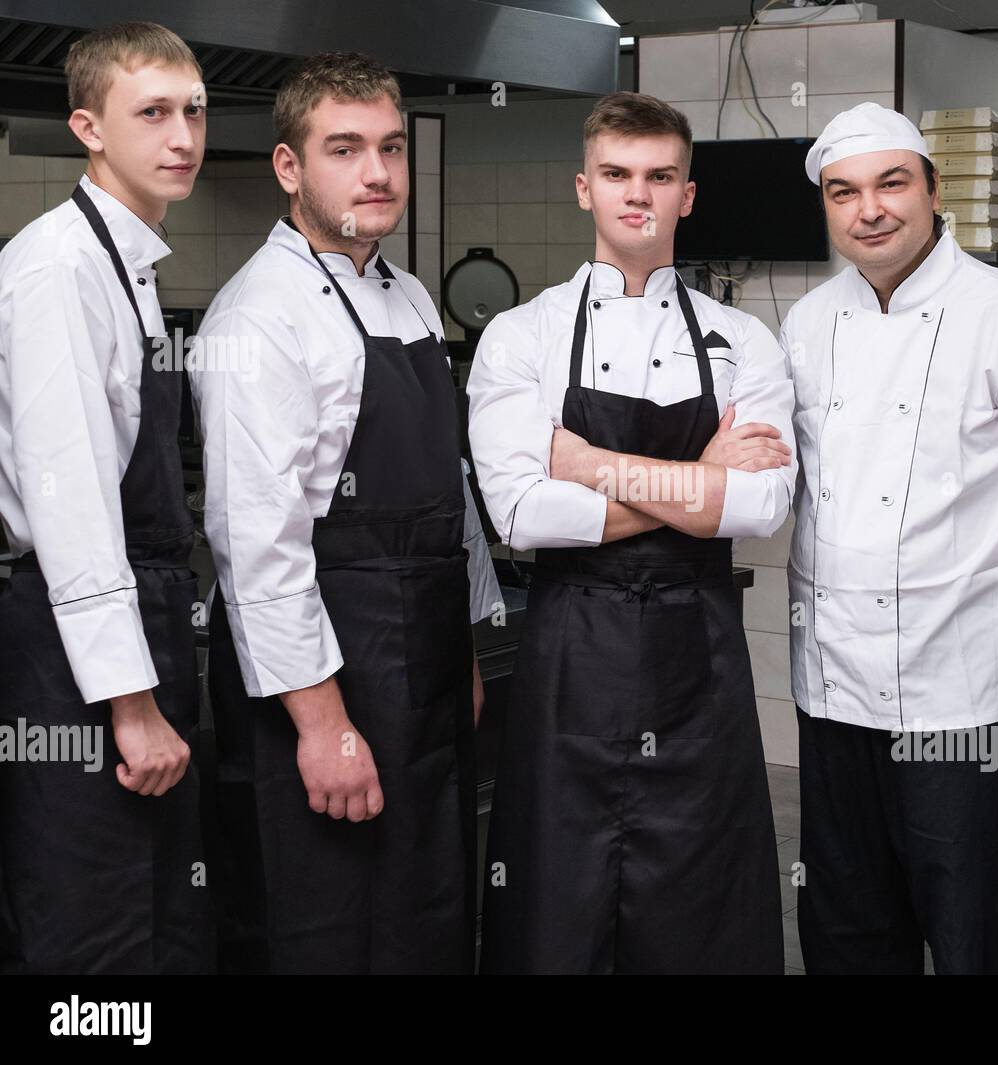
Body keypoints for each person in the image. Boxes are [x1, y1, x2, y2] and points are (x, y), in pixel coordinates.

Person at [468, 91, 796, 974]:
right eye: (617, 175)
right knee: (554, 898)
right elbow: (522, 515)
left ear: (689, 195)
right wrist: (702, 479)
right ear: (585, 188)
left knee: (702, 904)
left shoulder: (743, 339)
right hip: (572, 650)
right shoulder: (522, 334)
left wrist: (586, 463)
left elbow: (761, 508)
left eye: (660, 177)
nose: (637, 196)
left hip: (700, 654)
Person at [191, 52, 499, 974]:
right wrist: (322, 725)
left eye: (391, 148)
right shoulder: (257, 317)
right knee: (333, 921)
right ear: (290, 168)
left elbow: (450, 486)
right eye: (345, 149)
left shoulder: (403, 292)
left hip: (428, 657)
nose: (377, 173)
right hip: (332, 661)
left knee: (429, 909)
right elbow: (257, 546)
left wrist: (470, 642)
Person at [784, 102, 998, 974]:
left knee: (973, 918)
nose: (869, 209)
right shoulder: (807, 324)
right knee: (848, 920)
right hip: (832, 683)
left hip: (955, 684)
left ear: (932, 189)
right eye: (843, 192)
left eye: (891, 184)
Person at [0, 21, 212, 973]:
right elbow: (73, 501)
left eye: (196, 111)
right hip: (67, 652)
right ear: (88, 127)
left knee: (155, 916)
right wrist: (130, 704)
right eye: (154, 113)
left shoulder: (125, 262)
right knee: (93, 926)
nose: (184, 137)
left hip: (141, 629)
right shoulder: (57, 270)